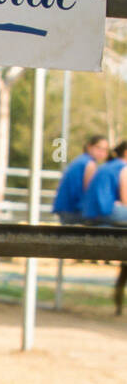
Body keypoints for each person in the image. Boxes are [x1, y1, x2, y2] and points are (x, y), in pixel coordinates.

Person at [82, 142, 127, 314]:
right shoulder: (123, 168)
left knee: (123, 272)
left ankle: (118, 306)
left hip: (95, 213)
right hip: (104, 214)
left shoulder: (108, 166)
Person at [51, 134, 109, 224]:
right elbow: (90, 192)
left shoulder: (80, 160)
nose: (102, 152)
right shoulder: (89, 164)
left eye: (105, 150)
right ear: (89, 147)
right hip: (73, 210)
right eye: (98, 148)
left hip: (65, 209)